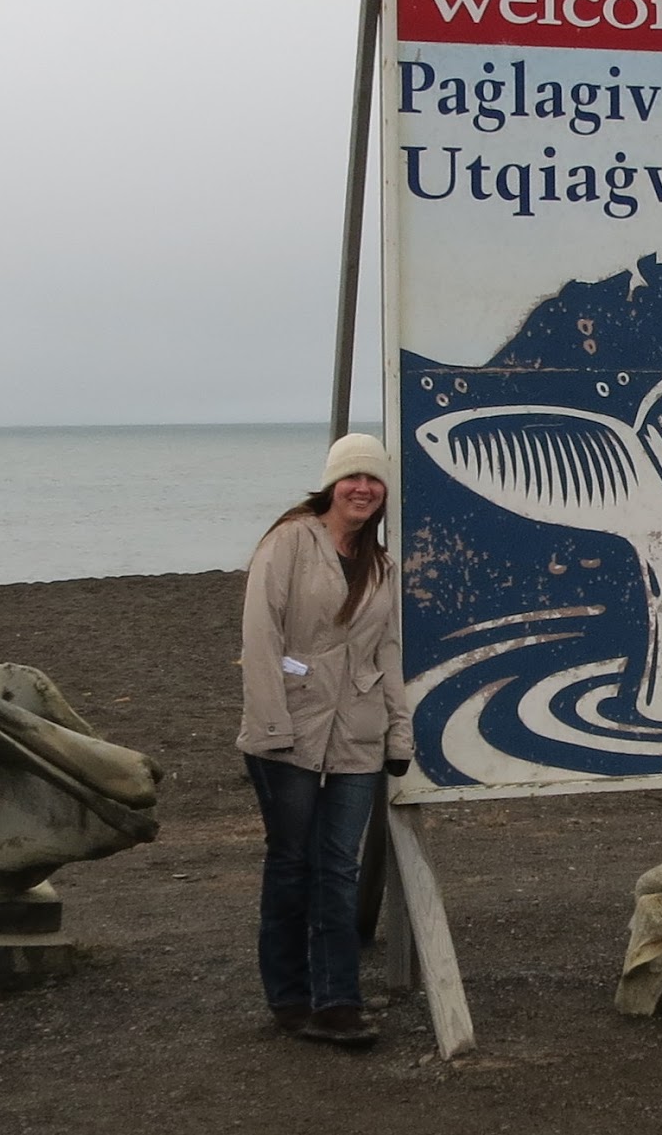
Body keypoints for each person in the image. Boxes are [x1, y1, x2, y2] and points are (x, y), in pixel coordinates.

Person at [237, 432, 414, 1047]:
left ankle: (339, 1002)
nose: (362, 488)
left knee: (338, 868)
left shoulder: (380, 565)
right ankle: (289, 999)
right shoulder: (290, 541)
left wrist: (398, 734)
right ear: (332, 484)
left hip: (357, 736)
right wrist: (271, 725)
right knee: (292, 865)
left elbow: (387, 651)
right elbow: (260, 635)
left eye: (373, 479)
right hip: (288, 729)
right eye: (351, 478)